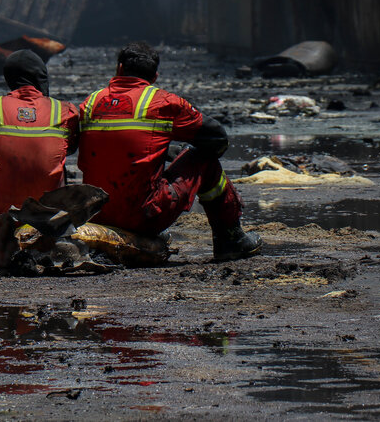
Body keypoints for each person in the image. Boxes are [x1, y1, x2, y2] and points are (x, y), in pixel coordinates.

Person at [77, 42, 261, 261]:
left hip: (97, 214)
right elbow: (217, 138)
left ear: (119, 68)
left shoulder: (90, 103)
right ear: (154, 76)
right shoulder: (163, 102)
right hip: (143, 216)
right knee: (203, 160)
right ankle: (230, 239)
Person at [0, 50, 79, 241]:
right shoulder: (64, 111)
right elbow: (72, 148)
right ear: (41, 77)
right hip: (49, 214)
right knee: (59, 160)